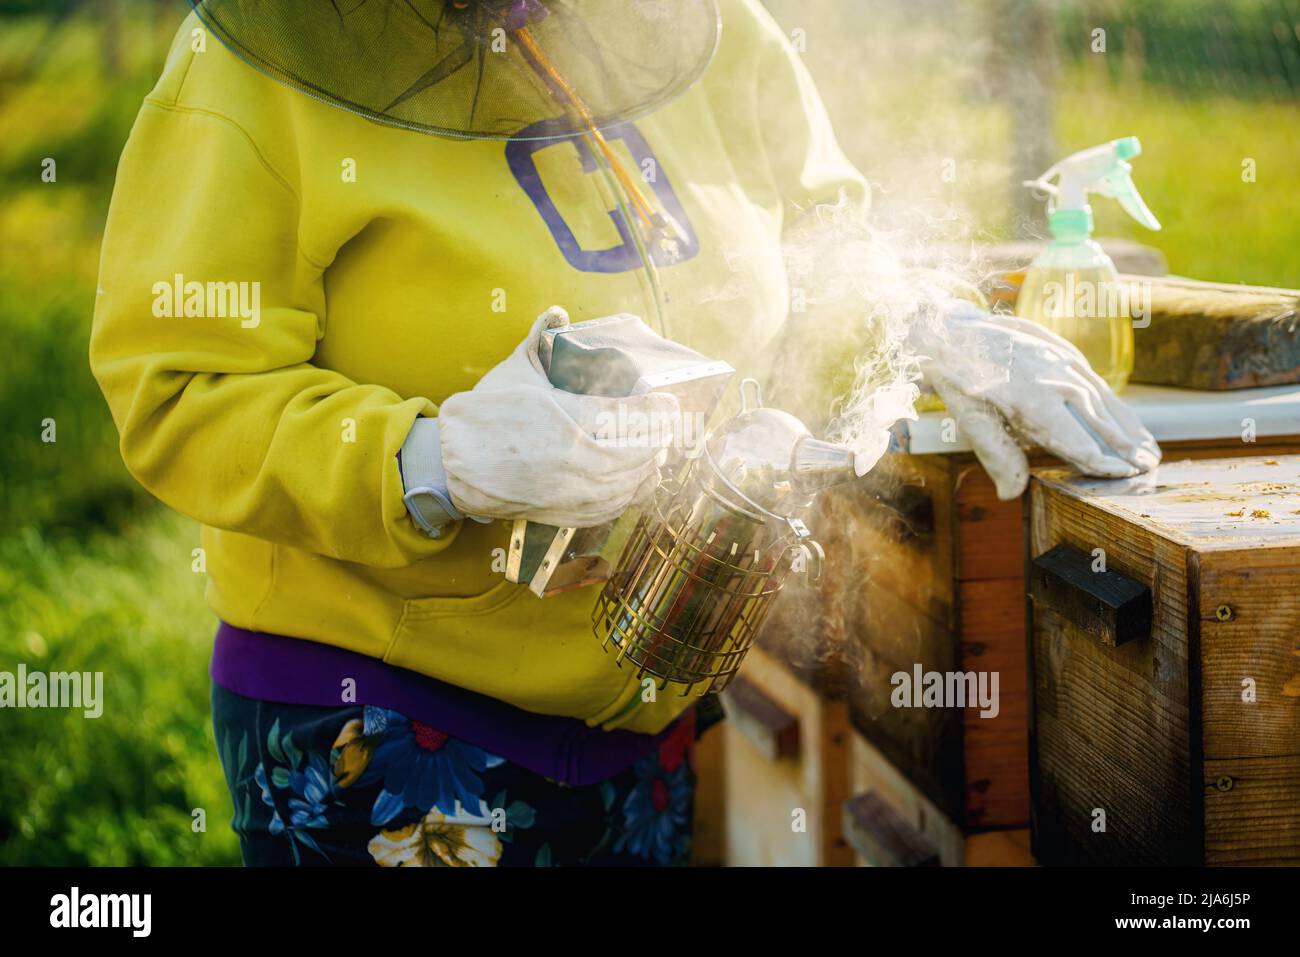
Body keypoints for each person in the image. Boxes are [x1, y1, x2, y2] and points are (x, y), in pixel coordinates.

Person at [89, 0, 1158, 867]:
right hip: (382, 732)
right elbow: (181, 389)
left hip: (654, 711)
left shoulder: (717, 30)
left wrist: (913, 318)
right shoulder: (244, 74)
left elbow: (827, 233)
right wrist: (429, 460)